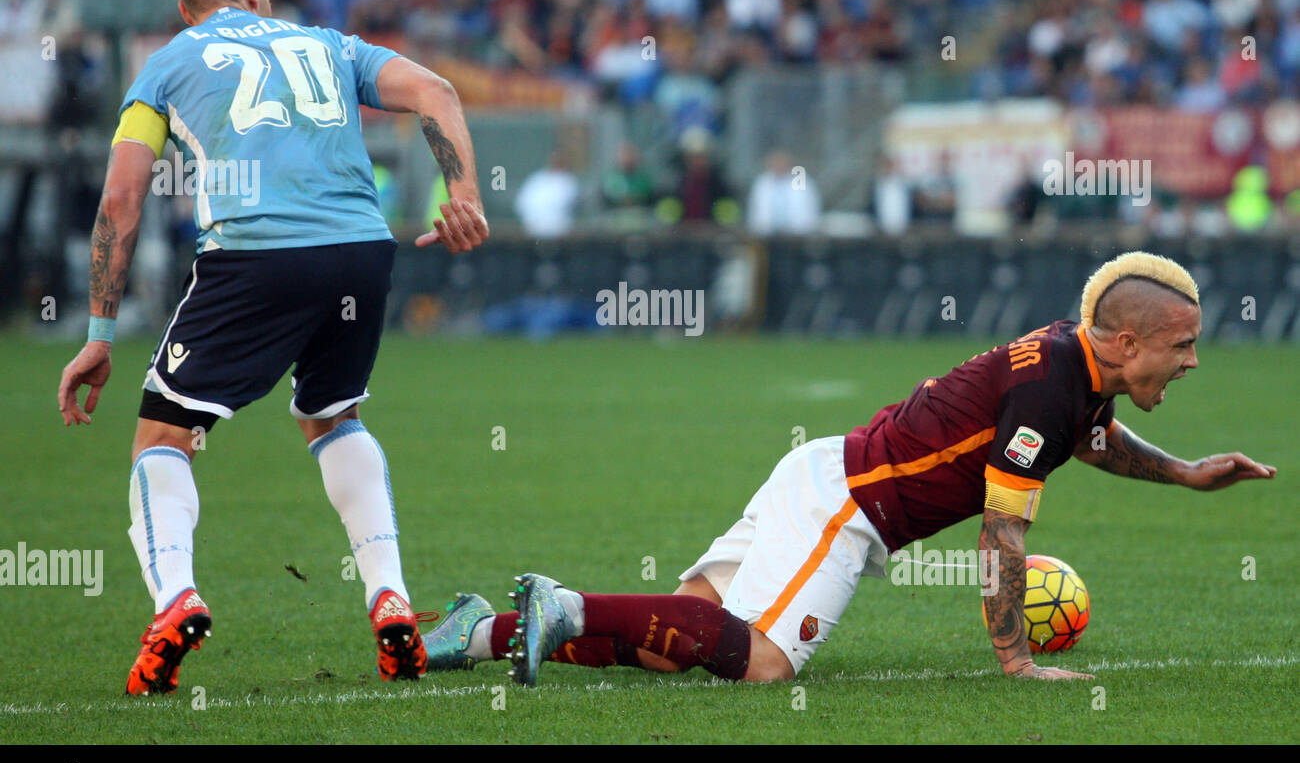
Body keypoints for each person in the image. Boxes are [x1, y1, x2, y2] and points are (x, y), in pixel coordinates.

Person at [421, 252, 1275, 686]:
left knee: (678, 639)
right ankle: (559, 603)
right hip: (851, 503)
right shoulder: (1055, 381)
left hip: (828, 472)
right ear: (1126, 342)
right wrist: (1016, 659)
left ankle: (485, 629)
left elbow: (1089, 439)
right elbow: (1002, 531)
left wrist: (1189, 474)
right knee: (762, 667)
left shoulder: (1074, 370)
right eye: (1183, 344)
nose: (1193, 361)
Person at [56, 0, 489, 695]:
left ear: (188, 8)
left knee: (164, 431)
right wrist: (463, 196)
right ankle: (388, 594)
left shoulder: (166, 65)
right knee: (333, 416)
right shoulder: (329, 45)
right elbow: (438, 92)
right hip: (361, 251)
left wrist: (97, 333)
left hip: (255, 257)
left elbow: (122, 198)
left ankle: (174, 599)